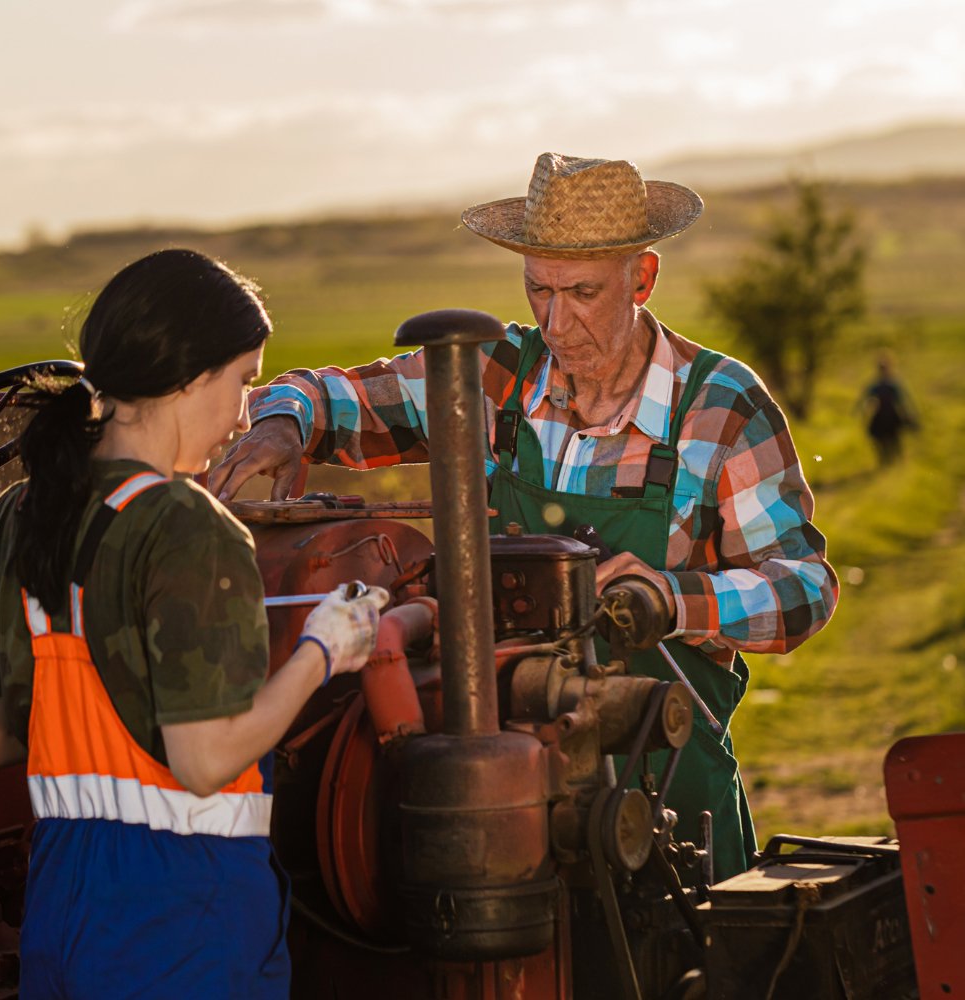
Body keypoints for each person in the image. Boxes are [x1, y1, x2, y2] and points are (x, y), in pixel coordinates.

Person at [212, 154, 838, 882]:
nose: (556, 322)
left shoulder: (720, 406)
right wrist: (286, 421)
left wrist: (672, 600)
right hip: (503, 792)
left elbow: (804, 589)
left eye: (582, 292)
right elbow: (332, 397)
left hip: (667, 789)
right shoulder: (492, 372)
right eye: (539, 289)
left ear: (642, 279)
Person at [0, 249, 388, 999]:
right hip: (184, 922)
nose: (243, 417)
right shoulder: (187, 525)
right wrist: (325, 648)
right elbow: (205, 760)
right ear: (188, 376)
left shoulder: (18, 515)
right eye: (243, 381)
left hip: (61, 910)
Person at [860, 352, 918, 465]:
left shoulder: (894, 384)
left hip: (892, 415)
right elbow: (867, 399)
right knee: (877, 437)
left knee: (894, 440)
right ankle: (885, 460)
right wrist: (864, 411)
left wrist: (909, 414)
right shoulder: (876, 384)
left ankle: (898, 462)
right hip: (880, 415)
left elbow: (903, 401)